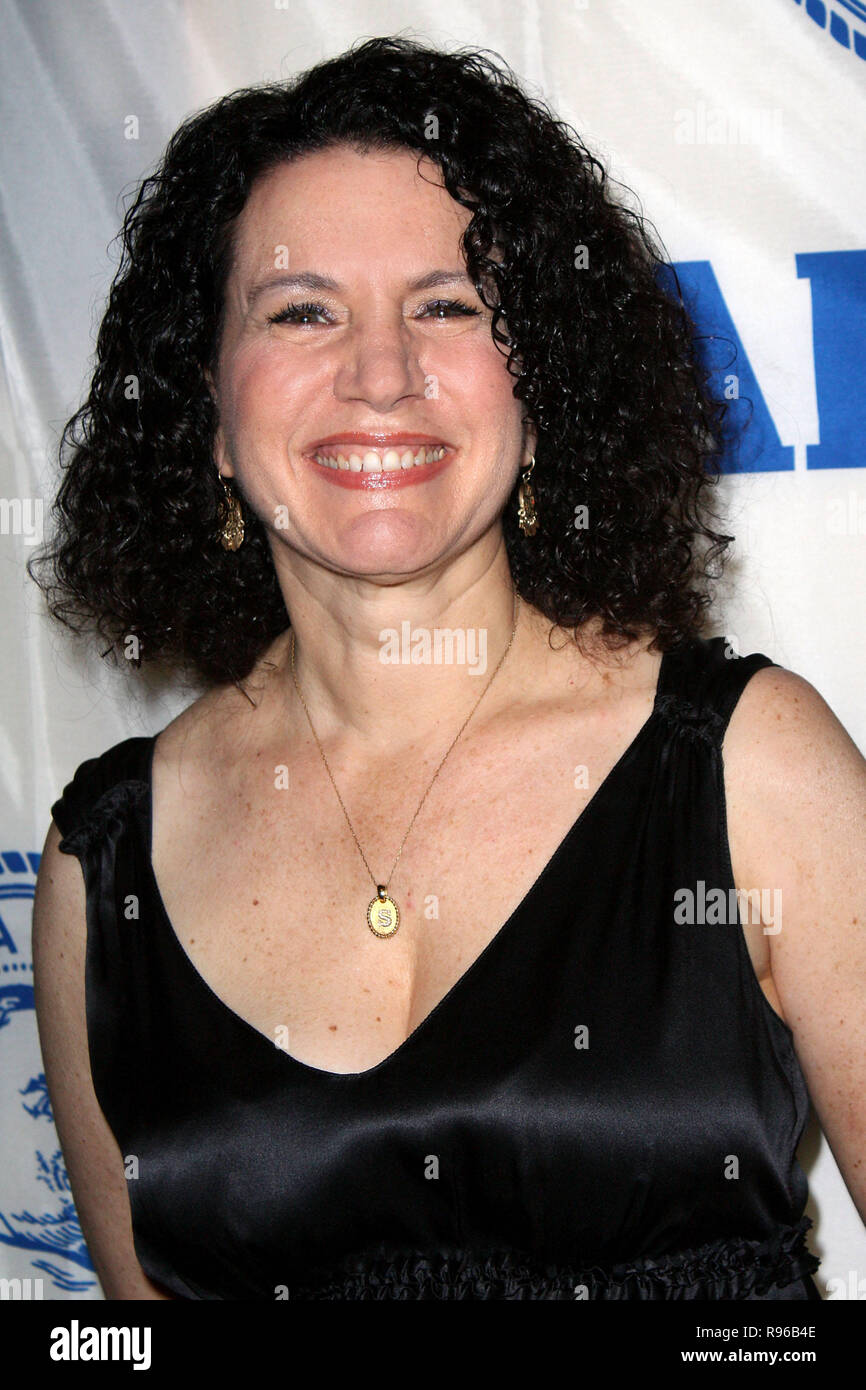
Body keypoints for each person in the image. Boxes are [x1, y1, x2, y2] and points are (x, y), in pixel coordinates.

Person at [29, 36, 865, 1301]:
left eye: (447, 306)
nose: (380, 374)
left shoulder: (747, 769)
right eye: (301, 309)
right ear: (208, 409)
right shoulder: (103, 871)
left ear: (541, 384)